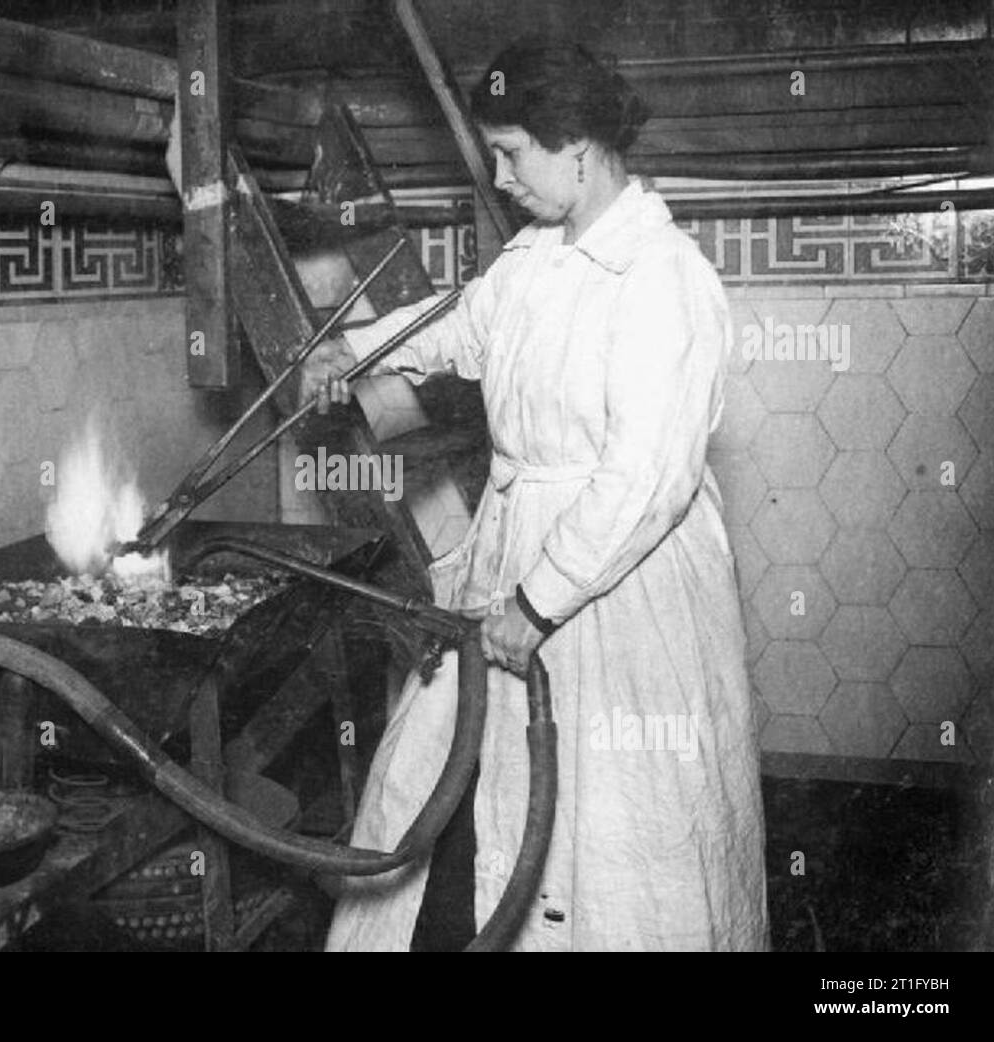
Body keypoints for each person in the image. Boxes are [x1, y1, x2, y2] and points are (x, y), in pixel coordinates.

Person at [300, 38, 769, 952]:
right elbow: (454, 328)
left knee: (616, 827)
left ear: (580, 145)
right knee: (448, 775)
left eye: (515, 152)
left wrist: (537, 600)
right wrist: (353, 355)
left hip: (622, 583)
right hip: (514, 550)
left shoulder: (664, 278)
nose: (503, 175)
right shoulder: (534, 260)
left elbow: (645, 480)